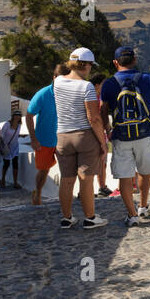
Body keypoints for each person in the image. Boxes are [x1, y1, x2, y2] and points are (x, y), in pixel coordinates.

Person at [99, 45, 150, 226]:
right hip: (145, 133)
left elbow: (103, 110)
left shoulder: (109, 83)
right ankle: (143, 206)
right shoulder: (148, 79)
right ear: (135, 60)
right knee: (144, 172)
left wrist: (107, 130)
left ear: (115, 63)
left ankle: (132, 215)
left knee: (124, 177)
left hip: (121, 136)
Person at [53, 48, 109, 229]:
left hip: (62, 136)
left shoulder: (58, 82)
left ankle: (67, 217)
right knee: (86, 179)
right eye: (91, 65)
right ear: (85, 65)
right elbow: (93, 118)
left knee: (67, 179)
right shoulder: (87, 87)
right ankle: (90, 217)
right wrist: (102, 142)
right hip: (84, 136)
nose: (91, 69)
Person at [25, 63, 68, 206]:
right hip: (44, 141)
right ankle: (38, 192)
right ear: (54, 77)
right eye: (60, 78)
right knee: (44, 171)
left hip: (64, 139)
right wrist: (33, 138)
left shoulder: (69, 93)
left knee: (68, 170)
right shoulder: (42, 94)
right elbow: (29, 115)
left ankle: (66, 197)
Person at [89, 70, 118, 199]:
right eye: (103, 84)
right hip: (94, 135)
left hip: (100, 135)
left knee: (102, 163)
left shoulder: (99, 98)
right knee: (93, 163)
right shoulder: (91, 99)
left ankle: (102, 187)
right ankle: (91, 189)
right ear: (96, 85)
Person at [0, 111, 23, 188]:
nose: (17, 117)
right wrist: (3, 145)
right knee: (6, 164)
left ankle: (15, 182)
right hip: (6, 147)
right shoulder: (7, 124)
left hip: (15, 147)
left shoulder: (19, 125)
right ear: (13, 116)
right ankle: (3, 180)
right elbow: (1, 135)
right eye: (16, 115)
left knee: (15, 164)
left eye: (19, 115)